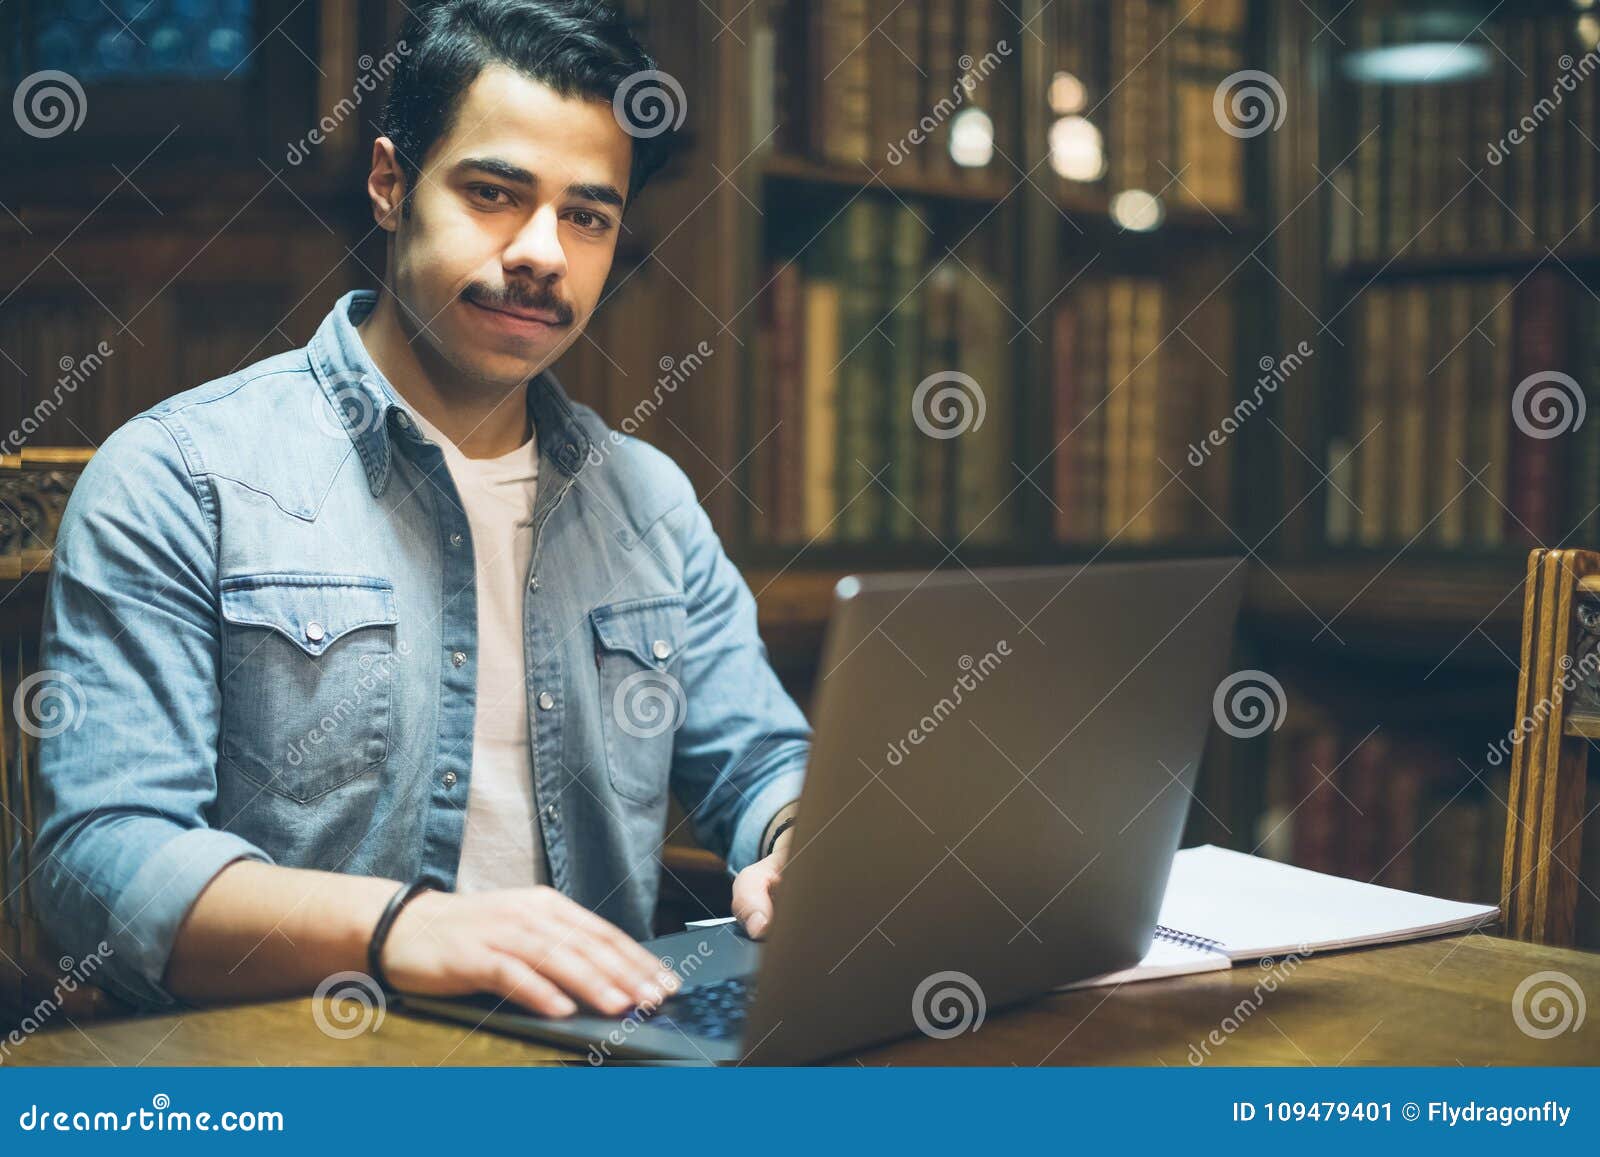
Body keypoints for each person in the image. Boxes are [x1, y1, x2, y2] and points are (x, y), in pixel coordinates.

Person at [31, 0, 808, 1022]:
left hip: (605, 1068)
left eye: (587, 214)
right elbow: (101, 865)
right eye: (493, 194)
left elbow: (762, 763)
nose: (542, 252)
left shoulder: (648, 502)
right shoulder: (180, 475)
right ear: (390, 183)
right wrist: (406, 928)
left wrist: (796, 845)